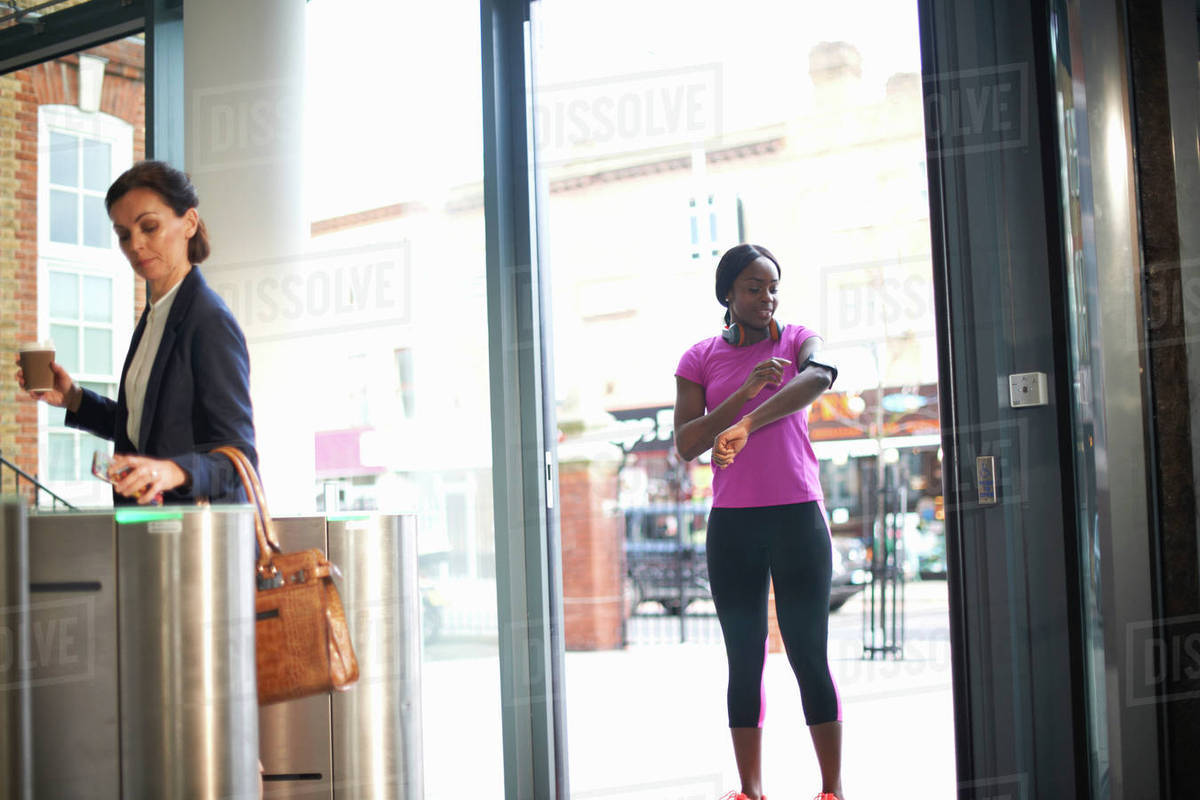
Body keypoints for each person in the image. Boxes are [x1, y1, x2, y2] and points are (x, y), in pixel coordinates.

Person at [674, 243, 843, 800]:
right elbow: (687, 444)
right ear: (727, 293)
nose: (766, 297)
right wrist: (743, 395)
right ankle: (749, 790)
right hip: (734, 527)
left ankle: (832, 790)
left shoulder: (796, 340)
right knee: (744, 661)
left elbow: (820, 376)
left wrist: (749, 422)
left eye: (773, 288)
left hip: (798, 518)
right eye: (753, 288)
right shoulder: (699, 358)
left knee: (808, 655)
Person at [16, 160, 256, 506]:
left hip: (196, 533)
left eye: (149, 227)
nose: (135, 245)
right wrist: (74, 398)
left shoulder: (209, 320)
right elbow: (145, 427)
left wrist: (171, 471)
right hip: (152, 528)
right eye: (124, 234)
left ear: (189, 223)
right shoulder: (155, 316)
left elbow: (239, 460)